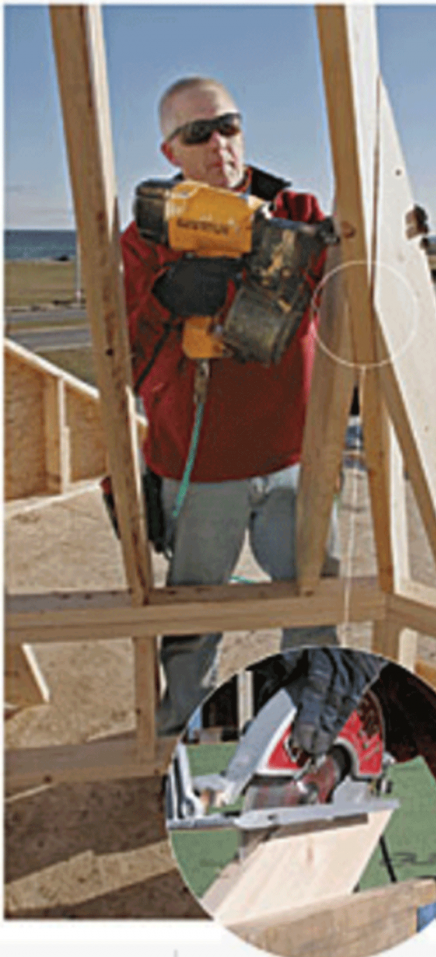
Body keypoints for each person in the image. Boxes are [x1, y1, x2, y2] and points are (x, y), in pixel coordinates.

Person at [121, 77, 339, 737]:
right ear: (170, 151)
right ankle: (182, 730)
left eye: (230, 126)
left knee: (314, 599)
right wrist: (167, 295)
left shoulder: (297, 210)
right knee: (191, 613)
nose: (220, 143)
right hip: (199, 463)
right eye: (199, 133)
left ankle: (312, 725)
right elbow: (125, 355)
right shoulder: (145, 238)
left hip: (294, 454)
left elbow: (354, 293)